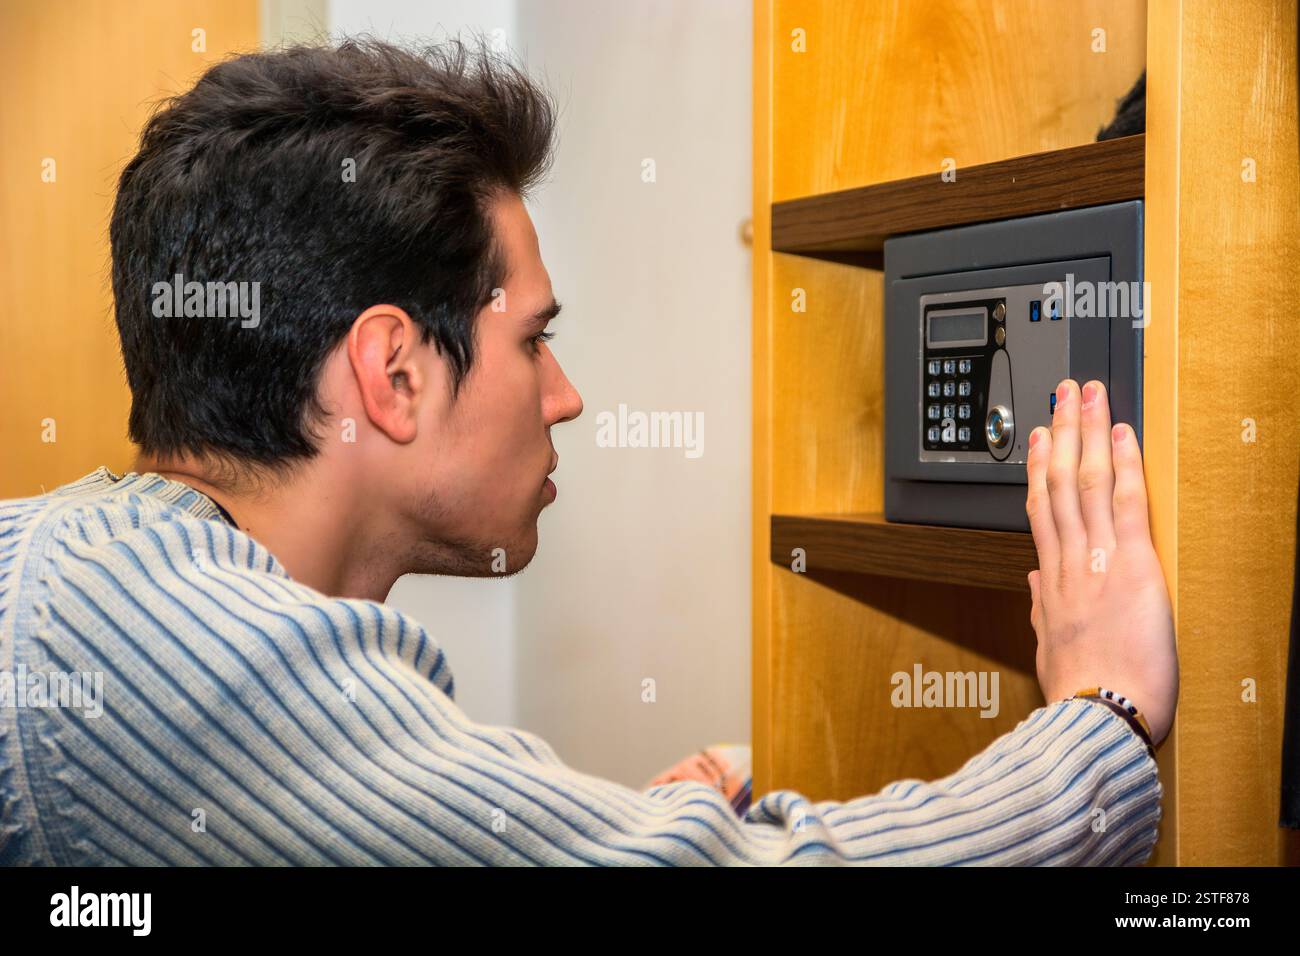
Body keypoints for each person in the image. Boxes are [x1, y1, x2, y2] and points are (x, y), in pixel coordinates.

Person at [0, 38, 1176, 866]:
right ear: (394, 373)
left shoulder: (102, 575)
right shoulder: (193, 661)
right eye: (534, 341)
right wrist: (1101, 711)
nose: (563, 397)